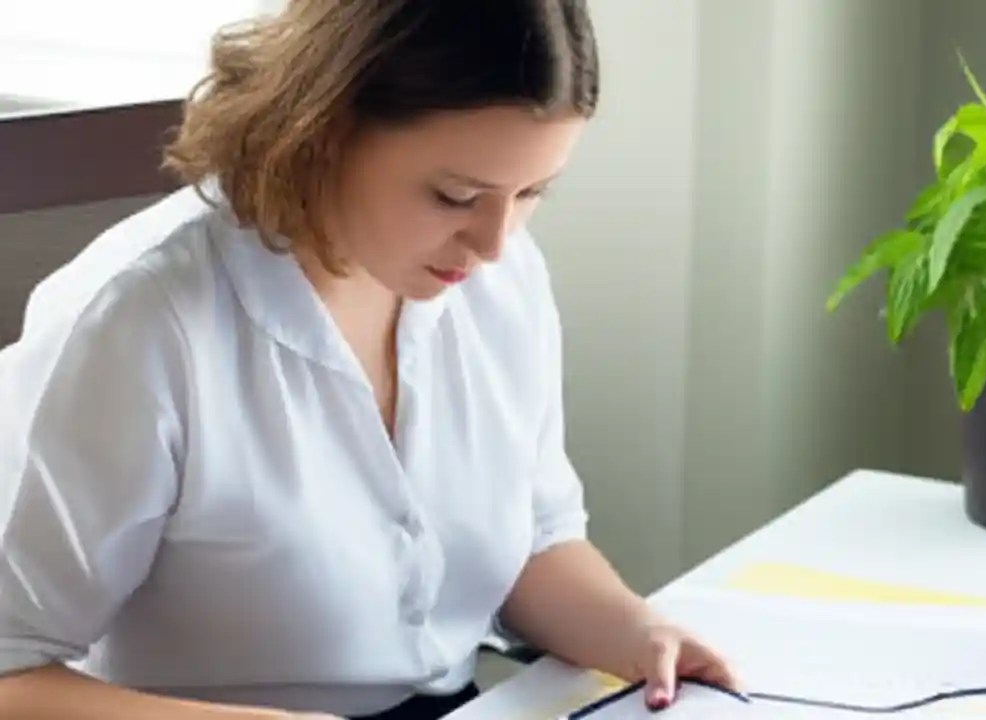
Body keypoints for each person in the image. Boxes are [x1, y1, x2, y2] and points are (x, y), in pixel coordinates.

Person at [0, 1, 738, 718]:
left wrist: (637, 633)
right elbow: (10, 669)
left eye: (533, 193)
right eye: (455, 196)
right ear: (323, 130)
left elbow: (534, 543)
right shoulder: (140, 325)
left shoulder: (500, 280)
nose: (495, 243)